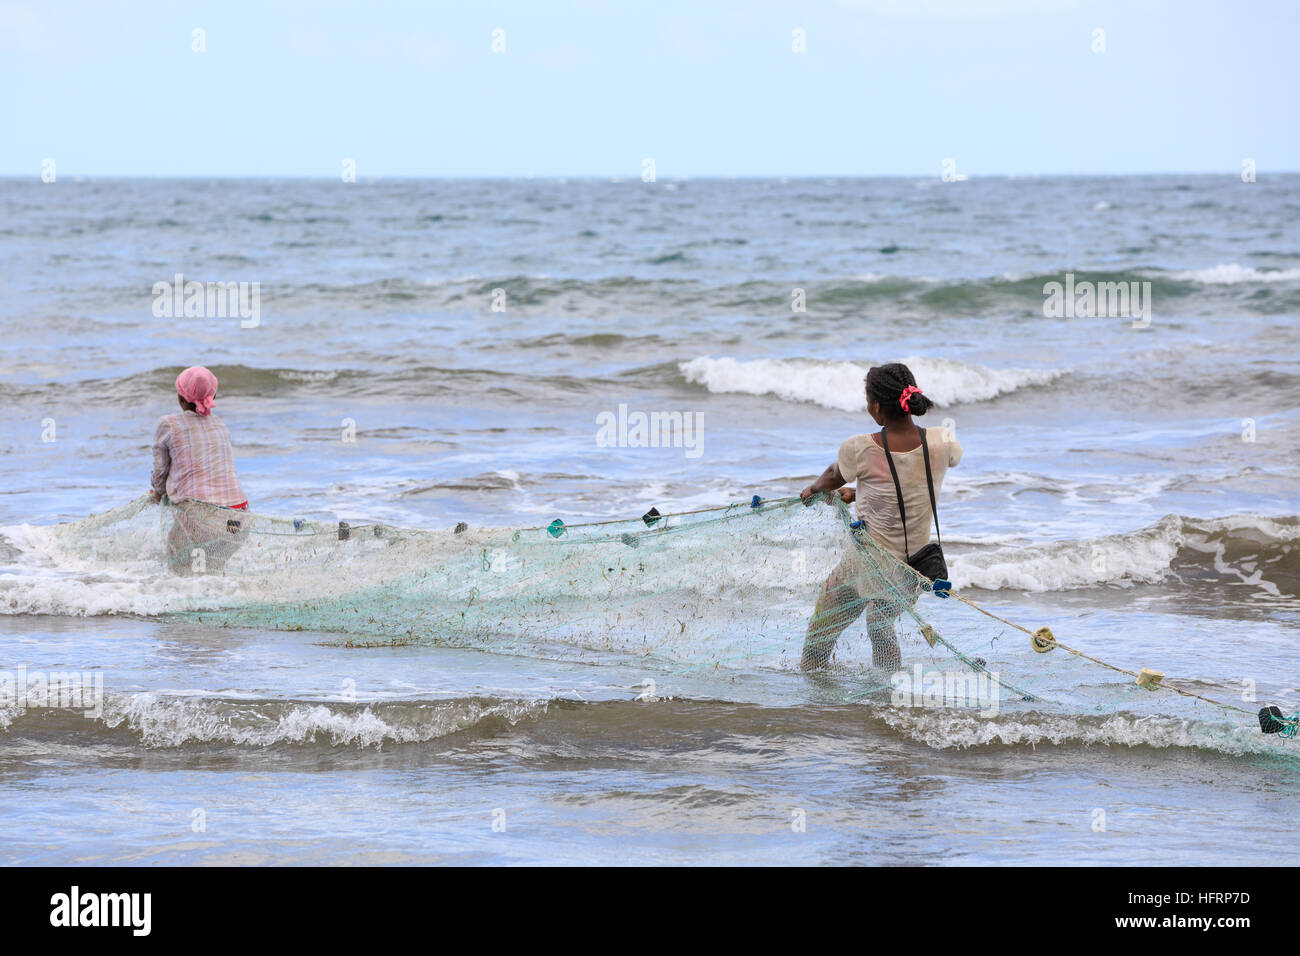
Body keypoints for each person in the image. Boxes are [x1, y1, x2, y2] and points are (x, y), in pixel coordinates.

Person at [797, 363, 962, 671]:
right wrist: (862, 493)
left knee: (819, 639)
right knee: (880, 628)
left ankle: (814, 701)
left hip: (864, 564)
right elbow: (910, 483)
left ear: (875, 406)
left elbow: (833, 476)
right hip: (910, 568)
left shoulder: (860, 448)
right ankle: (887, 694)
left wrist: (812, 489)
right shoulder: (942, 441)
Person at [149, 366, 249, 573]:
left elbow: (160, 473)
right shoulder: (220, 424)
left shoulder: (168, 424)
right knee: (211, 570)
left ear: (181, 398)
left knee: (179, 569)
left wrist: (158, 493)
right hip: (238, 520)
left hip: (201, 519)